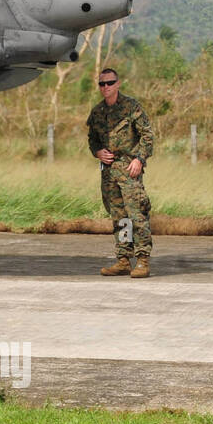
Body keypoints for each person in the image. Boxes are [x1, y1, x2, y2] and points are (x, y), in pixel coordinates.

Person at [87, 68, 155, 278]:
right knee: (119, 217)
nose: (105, 87)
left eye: (110, 83)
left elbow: (147, 136)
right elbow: (93, 139)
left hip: (129, 170)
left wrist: (139, 159)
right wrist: (97, 152)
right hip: (109, 173)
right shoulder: (97, 112)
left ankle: (142, 260)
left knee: (137, 215)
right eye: (102, 84)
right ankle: (124, 259)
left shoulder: (131, 107)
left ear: (118, 84)